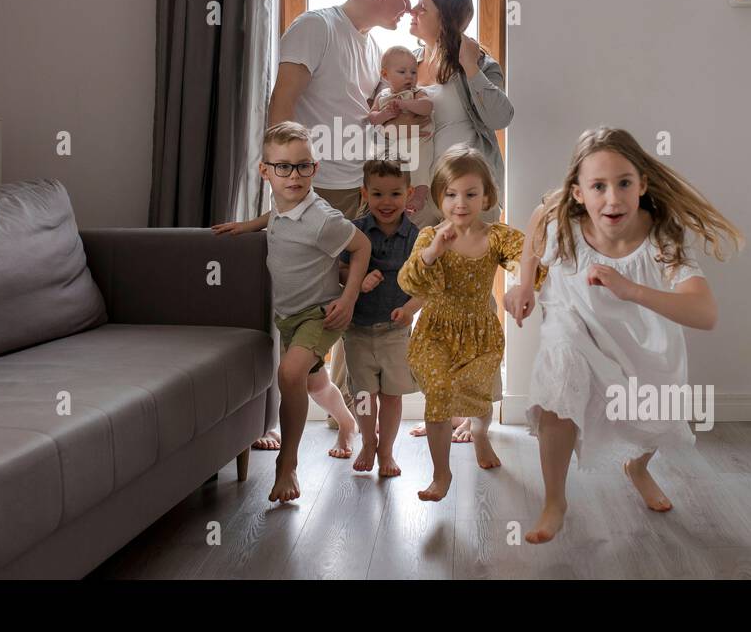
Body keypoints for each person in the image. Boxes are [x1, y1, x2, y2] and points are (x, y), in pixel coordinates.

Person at [502, 127, 743, 543]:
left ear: (642, 184)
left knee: (655, 417)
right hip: (573, 320)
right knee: (559, 379)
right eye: (598, 186)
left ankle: (637, 467)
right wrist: (525, 284)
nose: (612, 199)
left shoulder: (661, 238)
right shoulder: (562, 217)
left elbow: (705, 314)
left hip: (642, 336)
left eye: (624, 183)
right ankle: (555, 501)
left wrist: (630, 290)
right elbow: (539, 219)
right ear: (578, 192)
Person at [257, 0, 416, 451]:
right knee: (297, 302)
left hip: (358, 187)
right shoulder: (316, 27)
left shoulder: (371, 48)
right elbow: (281, 105)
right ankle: (271, 417)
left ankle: (347, 422)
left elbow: (360, 114)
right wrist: (284, 182)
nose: (407, 9)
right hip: (315, 187)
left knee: (351, 303)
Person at [222, 122, 373, 503]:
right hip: (288, 317)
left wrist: (350, 297)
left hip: (320, 313)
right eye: (284, 167)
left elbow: (362, 246)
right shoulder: (282, 202)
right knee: (312, 383)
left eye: (303, 166)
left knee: (289, 373)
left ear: (315, 168)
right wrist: (247, 226)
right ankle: (346, 421)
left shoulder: (322, 219)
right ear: (265, 171)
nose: (294, 175)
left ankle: (287, 466)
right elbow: (276, 217)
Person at [397, 147, 543, 502]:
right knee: (440, 390)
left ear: (487, 197)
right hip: (435, 331)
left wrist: (524, 285)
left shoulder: (497, 237)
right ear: (438, 197)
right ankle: (441, 473)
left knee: (478, 400)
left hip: (480, 333)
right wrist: (434, 253)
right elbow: (409, 283)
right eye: (450, 194)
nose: (460, 203)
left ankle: (480, 434)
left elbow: (530, 260)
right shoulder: (430, 237)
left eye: (470, 194)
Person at [405, 0, 515, 439]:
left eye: (423, 6)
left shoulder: (477, 60)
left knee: (473, 303)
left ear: (445, 17)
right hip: (426, 195)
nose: (413, 9)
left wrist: (471, 68)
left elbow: (500, 116)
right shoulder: (414, 62)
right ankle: (443, 404)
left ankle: (478, 414)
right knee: (427, 301)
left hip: (469, 195)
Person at [336, 159, 423, 478]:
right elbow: (340, 270)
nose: (386, 202)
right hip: (358, 329)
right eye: (378, 194)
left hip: (395, 331)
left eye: (395, 194)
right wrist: (358, 280)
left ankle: (385, 450)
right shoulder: (355, 230)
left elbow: (425, 284)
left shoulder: (415, 237)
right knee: (363, 394)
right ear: (365, 193)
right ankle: (367, 441)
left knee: (391, 395)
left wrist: (410, 309)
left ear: (409, 194)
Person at [367, 46, 434, 213]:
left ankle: (419, 194)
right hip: (393, 144)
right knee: (390, 169)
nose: (409, 77)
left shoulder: (416, 93)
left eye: (413, 72)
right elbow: (372, 118)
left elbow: (427, 107)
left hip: (418, 141)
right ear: (385, 75)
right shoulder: (382, 96)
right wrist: (384, 114)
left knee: (421, 165)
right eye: (402, 72)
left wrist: (405, 104)